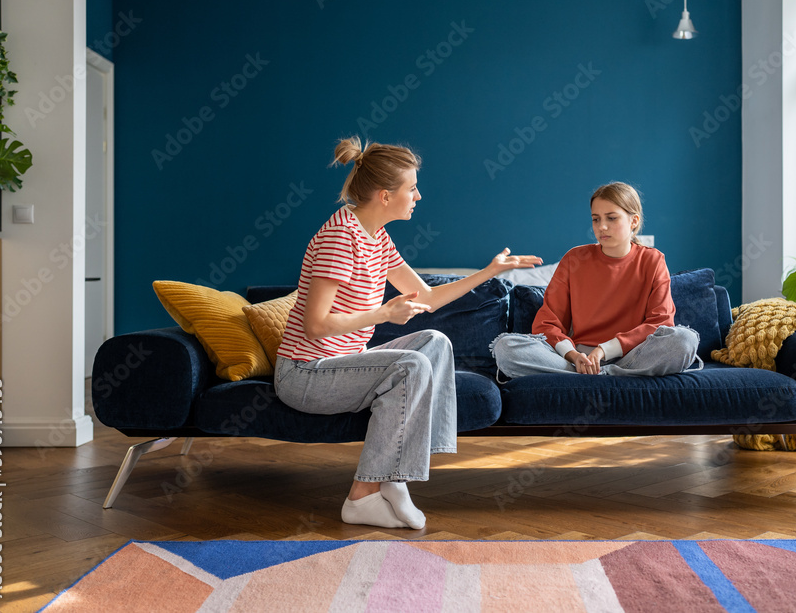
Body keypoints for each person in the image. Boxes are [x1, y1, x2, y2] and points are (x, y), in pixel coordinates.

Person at [274, 136, 541, 530]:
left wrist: (489, 272)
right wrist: (382, 313)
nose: (418, 196)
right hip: (305, 373)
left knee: (435, 342)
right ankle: (363, 497)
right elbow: (315, 325)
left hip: (341, 362)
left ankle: (396, 475)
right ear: (385, 196)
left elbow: (428, 299)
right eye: (411, 188)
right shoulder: (340, 238)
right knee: (411, 366)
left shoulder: (377, 237)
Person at [491, 181, 701, 378]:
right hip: (578, 359)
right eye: (596, 219)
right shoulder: (574, 259)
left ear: (634, 221)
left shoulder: (653, 260)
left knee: (684, 340)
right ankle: (599, 374)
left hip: (633, 355)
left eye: (611, 218)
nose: (602, 227)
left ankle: (599, 374)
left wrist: (603, 351)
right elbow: (547, 323)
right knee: (506, 347)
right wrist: (574, 356)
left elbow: (660, 322)